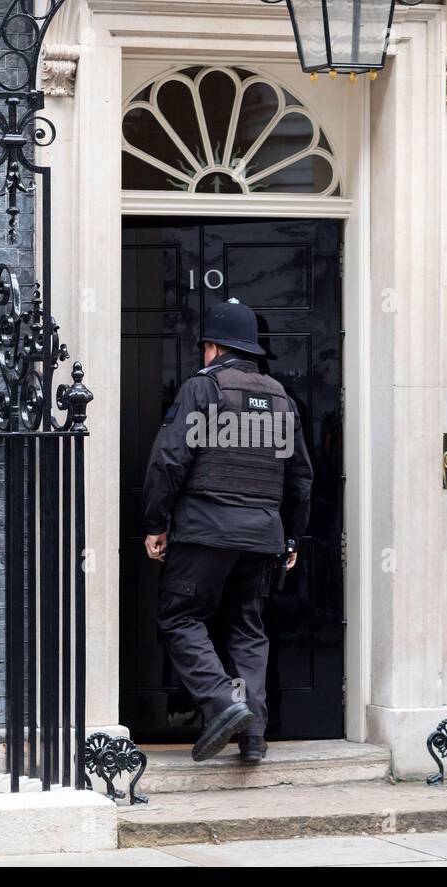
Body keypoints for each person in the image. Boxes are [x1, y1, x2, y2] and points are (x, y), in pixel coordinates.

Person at [142, 298, 314, 763]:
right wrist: (292, 538)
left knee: (179, 616)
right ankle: (253, 734)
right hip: (263, 536)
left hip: (205, 531)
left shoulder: (204, 389)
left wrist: (155, 523)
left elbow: (169, 459)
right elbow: (300, 477)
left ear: (213, 348)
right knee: (247, 627)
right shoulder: (281, 397)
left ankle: (223, 703)